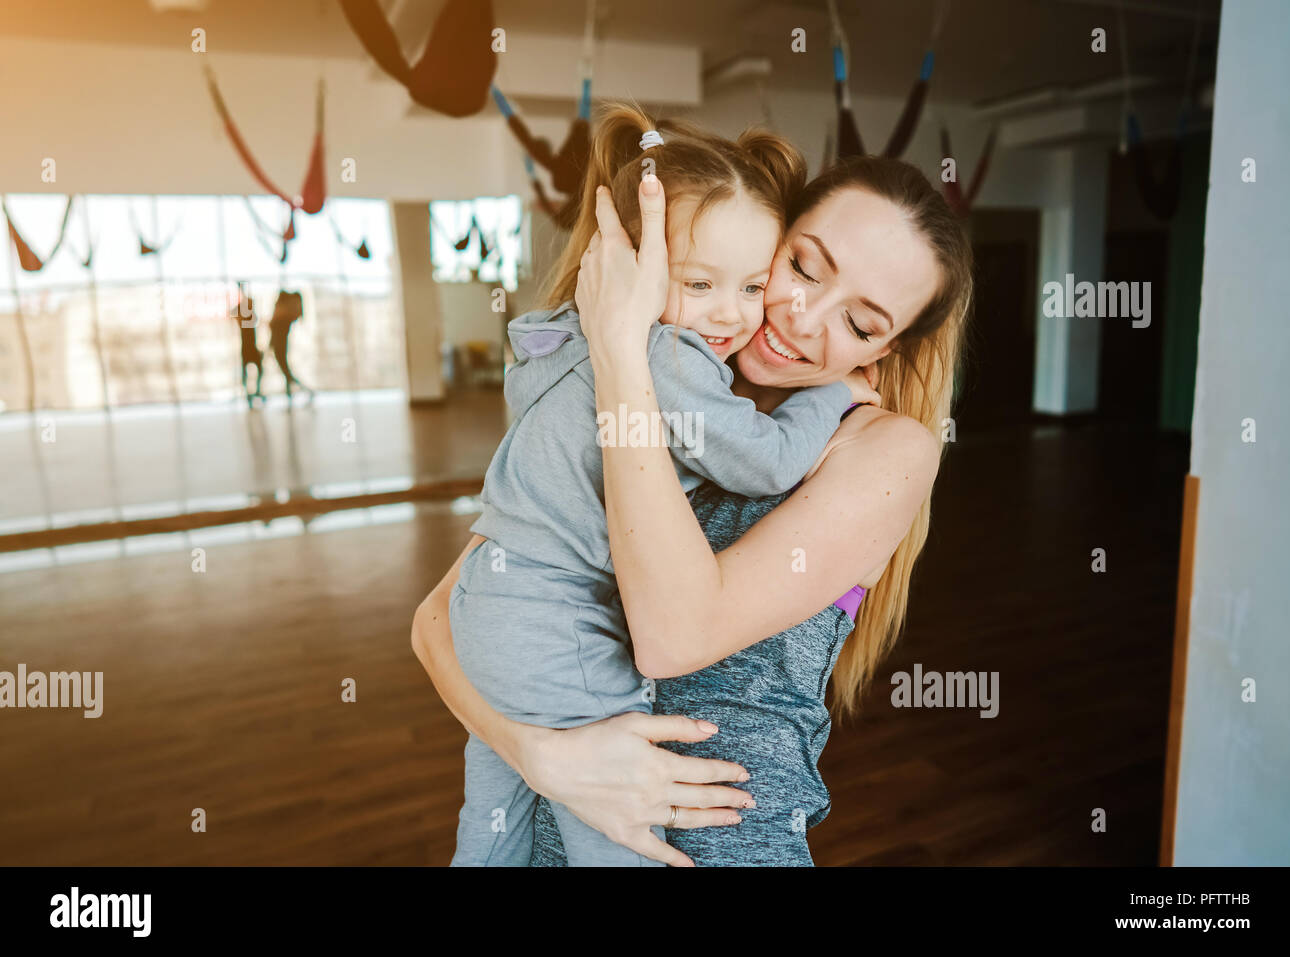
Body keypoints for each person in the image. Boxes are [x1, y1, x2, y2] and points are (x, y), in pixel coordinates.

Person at [412, 129, 972, 866]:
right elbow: (438, 621)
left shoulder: (885, 448)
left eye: (860, 321)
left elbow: (672, 637)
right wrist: (539, 756)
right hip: (560, 830)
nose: (804, 315)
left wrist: (621, 350)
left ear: (882, 351)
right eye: (801, 265)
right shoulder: (662, 377)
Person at [268, 290, 314, 403]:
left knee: (286, 371)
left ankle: (305, 391)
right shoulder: (285, 317)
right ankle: (291, 392)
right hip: (280, 346)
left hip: (279, 347)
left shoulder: (283, 317)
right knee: (286, 371)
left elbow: (274, 331)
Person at [231, 281, 264, 408]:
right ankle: (251, 393)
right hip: (248, 345)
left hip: (249, 345)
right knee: (250, 371)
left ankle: (253, 392)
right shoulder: (242, 312)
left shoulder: (244, 310)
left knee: (256, 370)